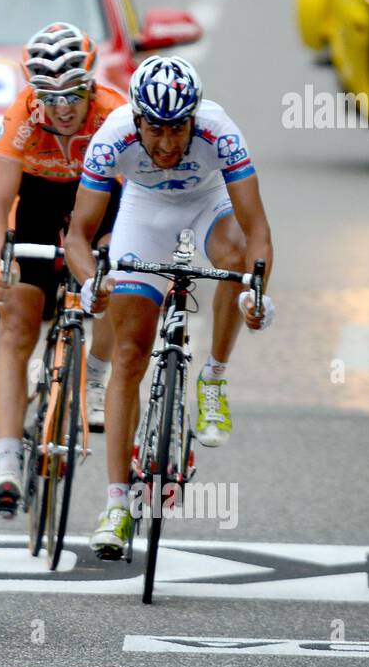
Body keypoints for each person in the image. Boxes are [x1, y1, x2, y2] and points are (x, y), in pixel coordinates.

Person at [64, 56, 275, 558]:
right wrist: (91, 281)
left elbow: (259, 230)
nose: (165, 144)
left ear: (194, 119)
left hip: (209, 203)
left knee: (234, 257)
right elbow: (78, 235)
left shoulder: (221, 134)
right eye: (154, 130)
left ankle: (214, 377)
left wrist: (257, 292)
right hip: (146, 214)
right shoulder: (112, 138)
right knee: (132, 354)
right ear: (136, 120)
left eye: (177, 129)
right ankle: (116, 503)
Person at [0, 22, 126, 517]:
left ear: (90, 84)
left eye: (73, 93)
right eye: (50, 94)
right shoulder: (23, 116)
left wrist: (112, 251)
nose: (62, 106)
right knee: (17, 328)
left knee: (115, 278)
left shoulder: (114, 114)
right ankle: (5, 462)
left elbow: (137, 202)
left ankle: (94, 378)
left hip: (103, 200)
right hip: (41, 204)